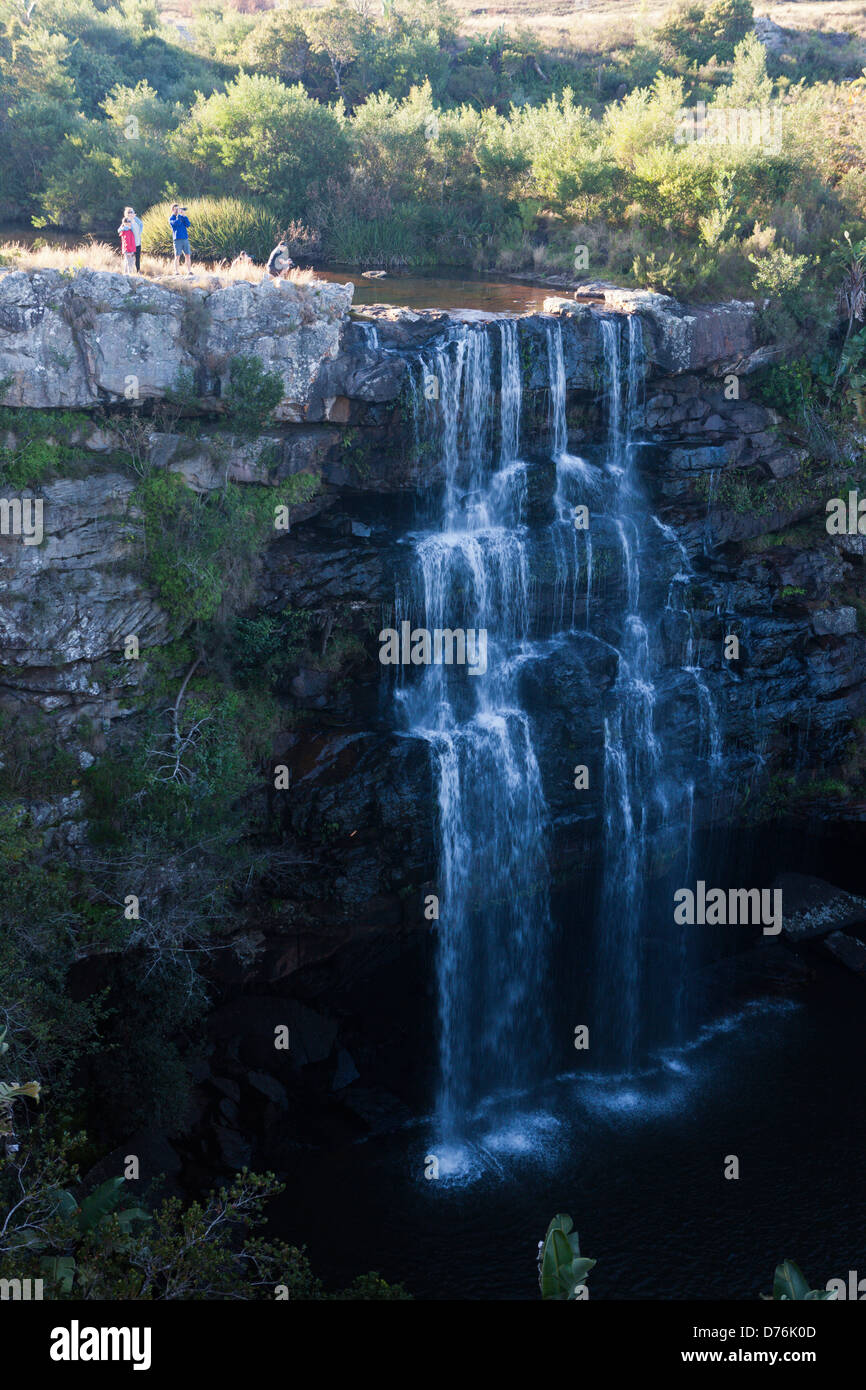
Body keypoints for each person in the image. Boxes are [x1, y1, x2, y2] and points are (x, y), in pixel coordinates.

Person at [169, 202, 193, 277]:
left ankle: (189, 271)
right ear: (172, 210)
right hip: (177, 240)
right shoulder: (171, 218)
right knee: (177, 256)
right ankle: (176, 271)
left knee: (188, 255)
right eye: (176, 209)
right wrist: (179, 215)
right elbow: (177, 223)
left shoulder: (182, 217)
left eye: (178, 209)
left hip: (185, 239)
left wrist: (184, 216)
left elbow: (188, 224)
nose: (177, 210)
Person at [126, 205, 143, 272]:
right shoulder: (126, 221)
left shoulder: (136, 220)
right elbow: (120, 229)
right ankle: (129, 273)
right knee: (130, 259)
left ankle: (138, 271)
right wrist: (125, 228)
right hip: (131, 244)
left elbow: (141, 224)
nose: (132, 213)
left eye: (133, 212)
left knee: (138, 258)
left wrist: (139, 233)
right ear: (128, 213)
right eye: (130, 212)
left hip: (138, 242)